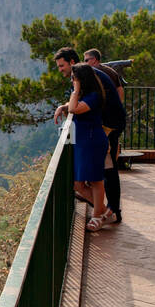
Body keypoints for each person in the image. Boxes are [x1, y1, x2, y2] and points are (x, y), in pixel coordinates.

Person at [66, 64, 114, 232]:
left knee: (95, 179)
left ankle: (97, 216)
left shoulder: (94, 96)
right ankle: (105, 211)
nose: (72, 80)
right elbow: (70, 106)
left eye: (74, 78)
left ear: (82, 79)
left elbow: (74, 108)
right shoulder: (87, 95)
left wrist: (75, 89)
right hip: (83, 142)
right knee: (78, 184)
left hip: (93, 141)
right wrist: (61, 106)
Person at [84, 48, 126, 224]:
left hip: (108, 126)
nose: (84, 62)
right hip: (112, 123)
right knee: (109, 167)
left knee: (108, 168)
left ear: (93, 60)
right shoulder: (108, 72)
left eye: (86, 60)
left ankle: (112, 210)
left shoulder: (97, 74)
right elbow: (120, 92)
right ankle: (111, 208)